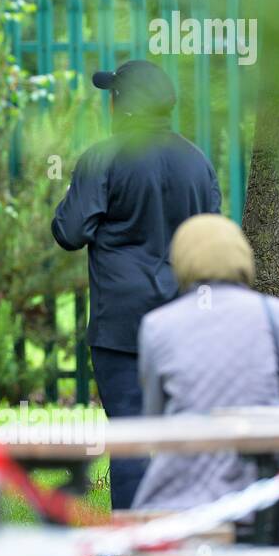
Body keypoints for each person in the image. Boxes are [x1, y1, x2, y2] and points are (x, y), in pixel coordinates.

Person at [51, 59, 220, 510]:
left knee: (128, 432)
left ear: (122, 104)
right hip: (186, 318)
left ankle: (128, 542)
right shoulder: (197, 161)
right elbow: (213, 239)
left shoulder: (103, 157)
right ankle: (185, 528)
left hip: (122, 322)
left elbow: (69, 232)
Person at [133, 214, 279, 510]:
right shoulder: (276, 314)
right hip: (265, 498)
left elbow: (155, 423)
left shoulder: (157, 325)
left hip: (180, 503)